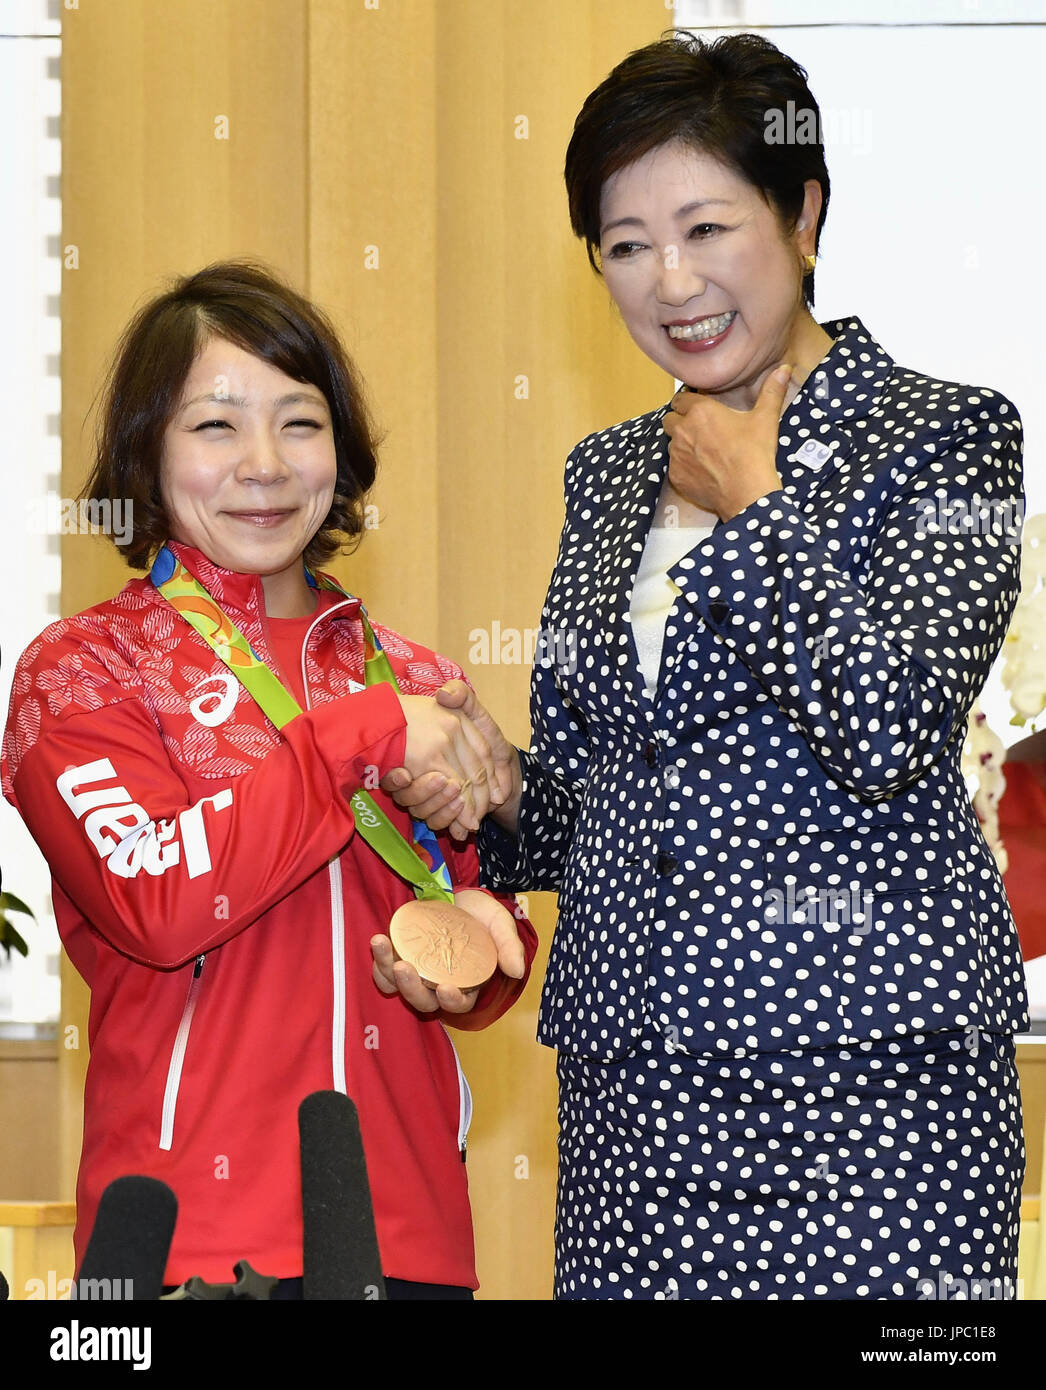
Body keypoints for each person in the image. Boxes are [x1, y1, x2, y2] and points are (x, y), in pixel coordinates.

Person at [382, 33, 1029, 1300]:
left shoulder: (947, 436)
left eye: (703, 226)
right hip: (636, 1103)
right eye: (624, 243)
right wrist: (497, 782)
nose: (666, 280)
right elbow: (601, 798)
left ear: (800, 214)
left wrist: (758, 509)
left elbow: (888, 727)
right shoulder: (609, 467)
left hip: (868, 1093)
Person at [1, 261, 536, 1299]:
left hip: (408, 1236)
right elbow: (152, 895)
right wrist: (359, 736)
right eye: (214, 427)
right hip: (179, 1241)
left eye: (300, 422)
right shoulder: (80, 669)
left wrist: (476, 951)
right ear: (145, 453)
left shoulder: (417, 676)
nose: (265, 464)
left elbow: (486, 925)